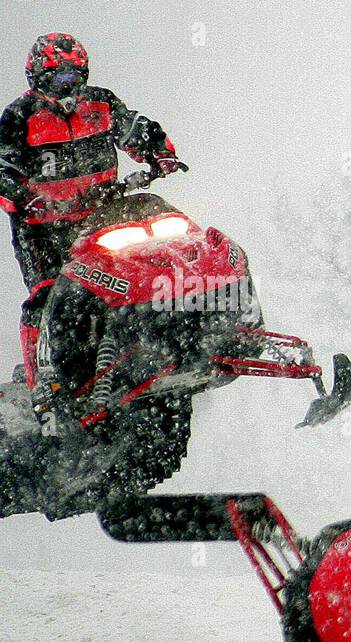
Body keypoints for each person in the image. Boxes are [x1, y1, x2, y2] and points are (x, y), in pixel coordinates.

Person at [0, 33, 180, 383]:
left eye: (74, 76)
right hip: (43, 227)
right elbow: (0, 170)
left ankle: (167, 335)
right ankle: (41, 382)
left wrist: (160, 151)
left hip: (103, 213)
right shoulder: (19, 117)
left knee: (147, 259)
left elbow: (135, 128)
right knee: (48, 294)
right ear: (37, 78)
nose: (67, 86)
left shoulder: (101, 104)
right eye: (58, 77)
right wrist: (23, 198)